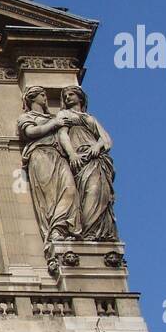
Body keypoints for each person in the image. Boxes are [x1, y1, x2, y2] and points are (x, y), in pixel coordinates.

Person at [16, 86, 82, 243]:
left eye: (45, 95)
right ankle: (56, 230)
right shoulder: (27, 117)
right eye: (42, 95)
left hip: (58, 156)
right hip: (41, 155)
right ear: (32, 98)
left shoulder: (53, 116)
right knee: (51, 194)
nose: (45, 98)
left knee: (70, 189)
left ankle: (66, 227)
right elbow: (30, 132)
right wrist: (54, 124)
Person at [58, 86, 118, 240]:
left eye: (71, 94)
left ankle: (97, 232)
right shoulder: (64, 114)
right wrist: (71, 154)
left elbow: (105, 138)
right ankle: (88, 231)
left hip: (96, 158)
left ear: (80, 97)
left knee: (99, 193)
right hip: (79, 158)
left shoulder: (89, 117)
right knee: (88, 192)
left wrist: (97, 146)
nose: (68, 98)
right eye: (65, 95)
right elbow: (63, 134)